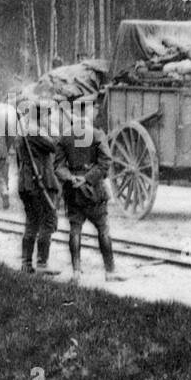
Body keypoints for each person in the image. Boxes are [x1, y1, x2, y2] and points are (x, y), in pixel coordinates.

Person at [54, 114, 123, 283]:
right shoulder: (97, 134)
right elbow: (106, 161)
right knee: (103, 229)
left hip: (73, 192)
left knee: (75, 230)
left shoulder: (65, 137)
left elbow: (58, 166)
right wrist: (87, 178)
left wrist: (71, 178)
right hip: (95, 191)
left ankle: (76, 273)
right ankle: (110, 272)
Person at [16, 101, 60, 276]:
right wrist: (52, 129)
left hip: (26, 184)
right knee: (48, 221)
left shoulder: (24, 133)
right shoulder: (35, 133)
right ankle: (42, 263)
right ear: (40, 117)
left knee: (32, 222)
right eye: (47, 117)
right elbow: (55, 145)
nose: (49, 120)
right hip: (39, 184)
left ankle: (26, 263)